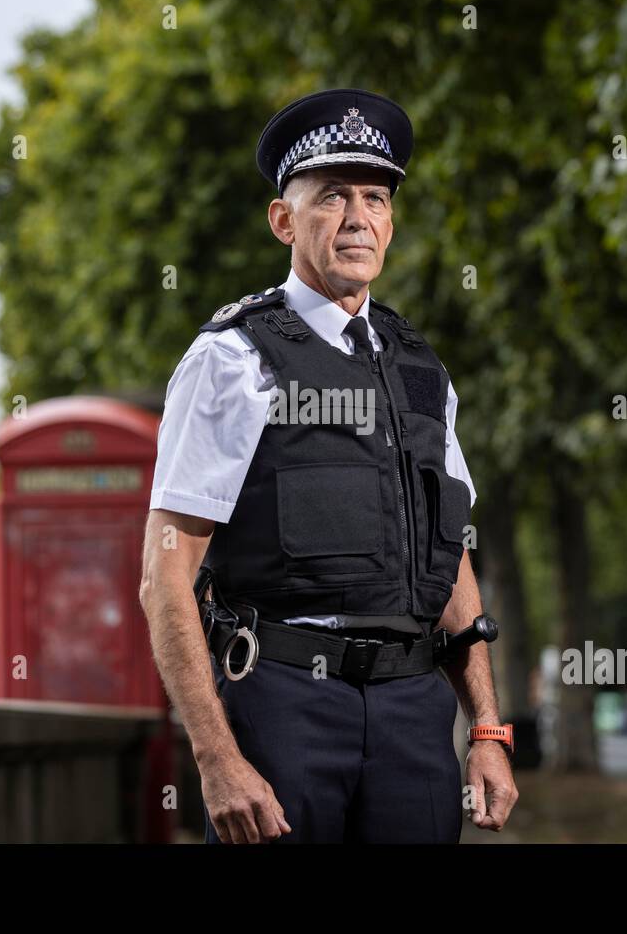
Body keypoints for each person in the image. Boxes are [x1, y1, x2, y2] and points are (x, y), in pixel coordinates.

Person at [138, 88, 518, 843]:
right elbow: (165, 574)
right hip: (283, 707)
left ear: (391, 222)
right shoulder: (232, 359)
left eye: (375, 197)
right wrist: (216, 760)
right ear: (284, 219)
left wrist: (487, 728)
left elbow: (449, 560)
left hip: (414, 716)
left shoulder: (422, 369)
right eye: (332, 196)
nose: (357, 217)